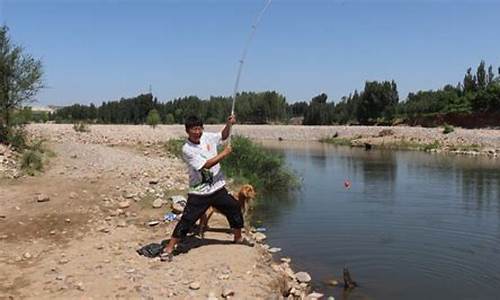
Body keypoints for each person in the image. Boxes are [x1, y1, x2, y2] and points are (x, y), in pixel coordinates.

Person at [161, 115, 251, 262]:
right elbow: (206, 165)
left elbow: (223, 135)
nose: (197, 132)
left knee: (234, 207)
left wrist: (228, 124)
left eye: (199, 128)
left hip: (217, 187)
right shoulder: (187, 149)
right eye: (193, 129)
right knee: (187, 219)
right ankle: (169, 248)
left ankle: (238, 238)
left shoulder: (207, 137)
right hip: (200, 192)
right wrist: (224, 154)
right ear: (187, 131)